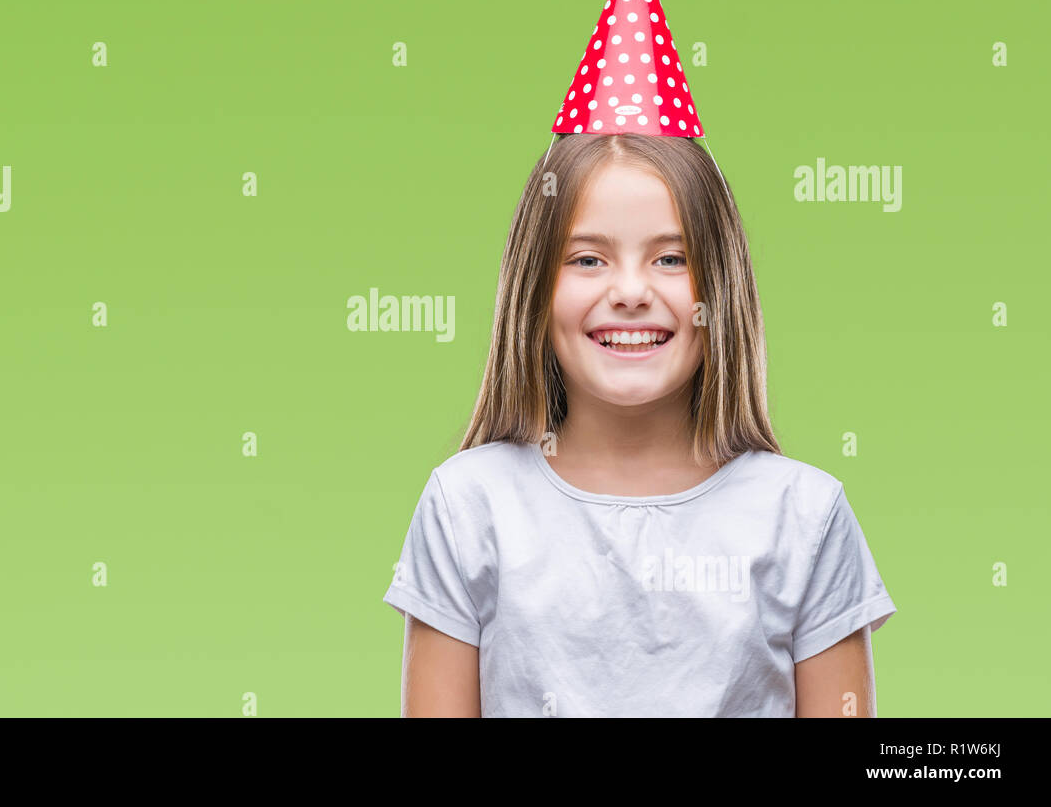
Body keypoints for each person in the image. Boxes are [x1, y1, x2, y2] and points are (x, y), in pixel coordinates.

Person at [382, 131, 897, 716]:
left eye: (672, 259)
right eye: (588, 259)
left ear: (722, 287)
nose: (630, 291)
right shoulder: (468, 507)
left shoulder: (805, 516)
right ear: (535, 290)